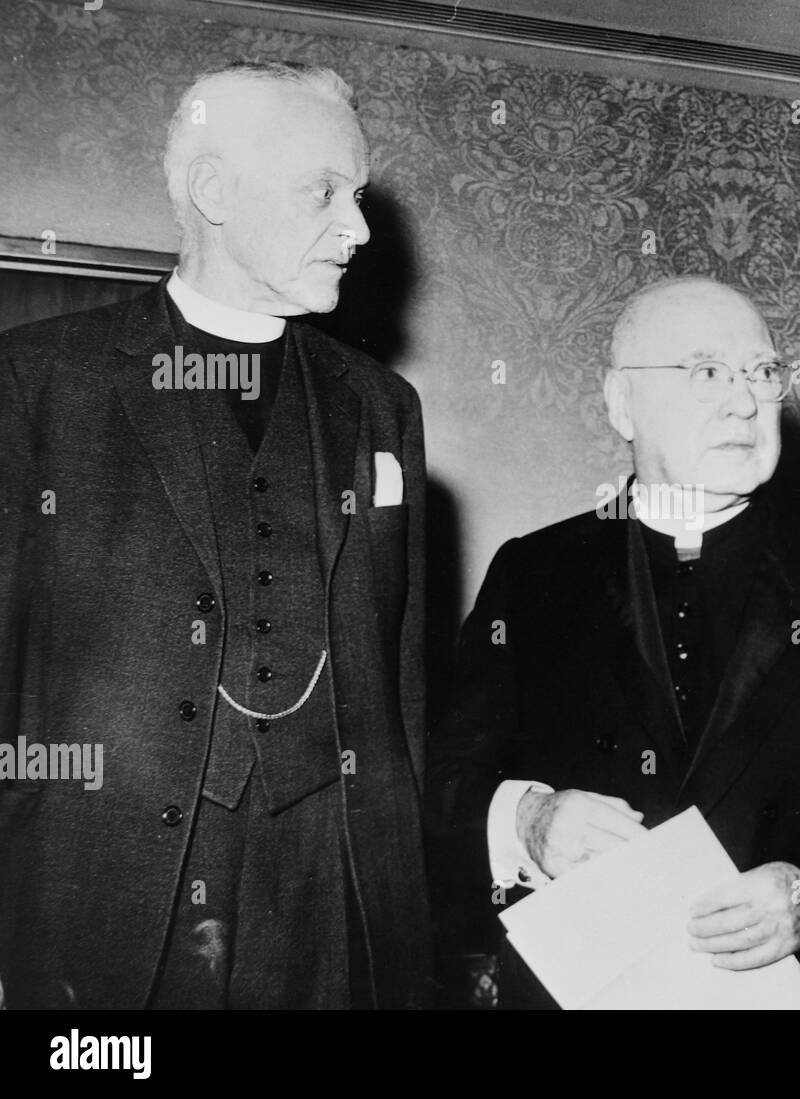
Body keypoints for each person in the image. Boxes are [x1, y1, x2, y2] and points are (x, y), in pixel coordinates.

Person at [0, 61, 434, 1008]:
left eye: (358, 196)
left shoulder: (382, 407)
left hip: (334, 892)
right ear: (213, 192)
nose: (358, 228)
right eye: (326, 192)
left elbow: (400, 684)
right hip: (102, 898)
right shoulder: (40, 382)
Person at [428, 276, 800, 1009]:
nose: (745, 400)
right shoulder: (531, 575)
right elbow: (436, 779)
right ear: (620, 402)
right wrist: (529, 819)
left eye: (763, 373)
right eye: (705, 373)